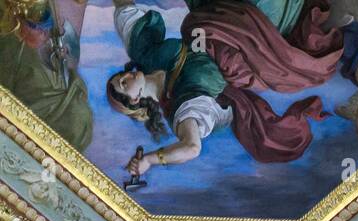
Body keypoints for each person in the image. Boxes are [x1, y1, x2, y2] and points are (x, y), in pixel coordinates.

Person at [107, 0, 342, 177]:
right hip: (246, 45)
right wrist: (150, 160)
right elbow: (190, 148)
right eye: (124, 83)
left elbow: (127, 14)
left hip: (216, 13)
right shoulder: (182, 103)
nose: (126, 75)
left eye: (121, 75)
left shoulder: (146, 55)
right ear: (136, 99)